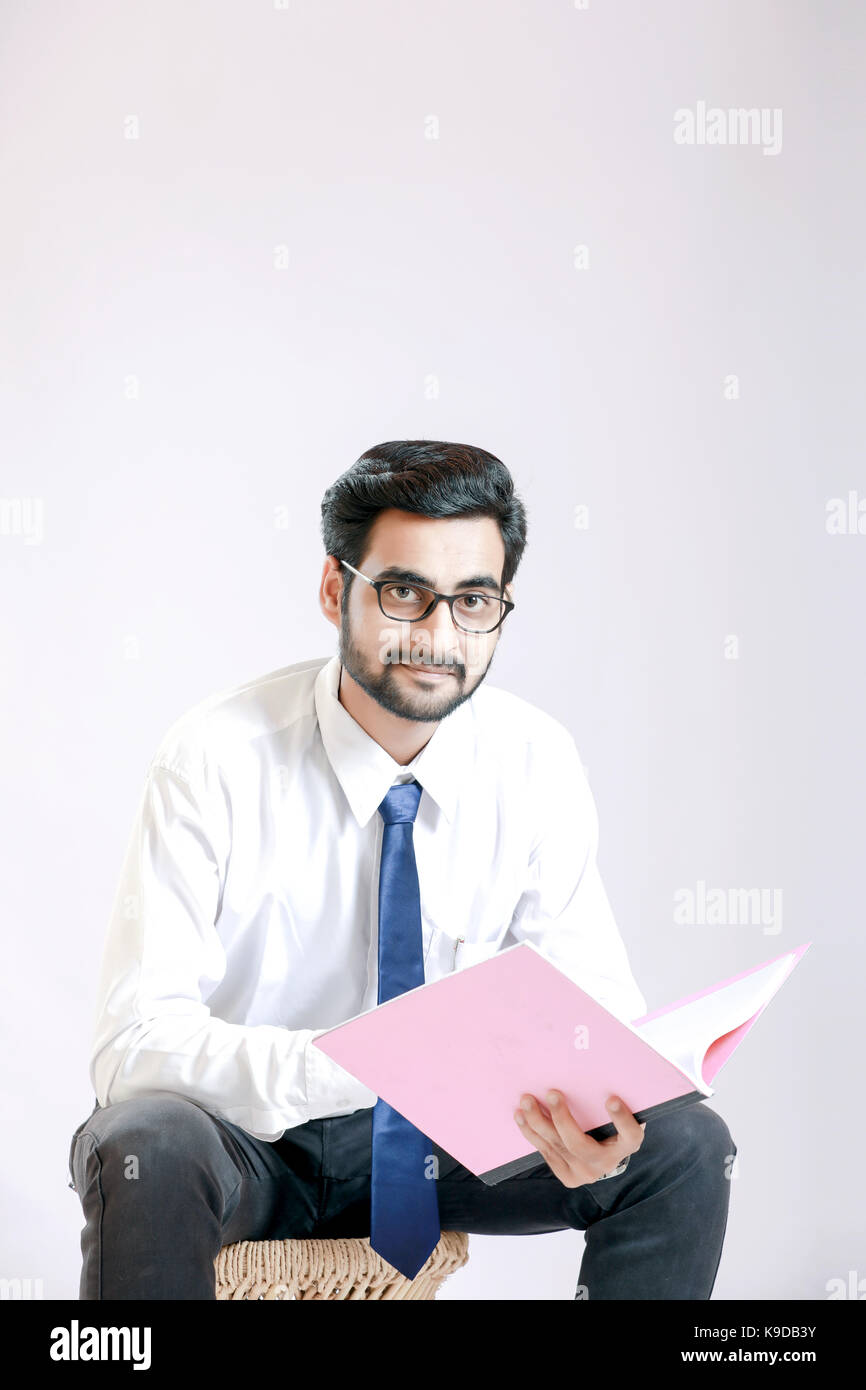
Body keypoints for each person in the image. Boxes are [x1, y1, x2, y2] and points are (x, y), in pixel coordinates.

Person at [68, 439, 735, 1300]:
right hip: (245, 1144)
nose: (438, 635)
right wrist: (362, 1065)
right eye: (404, 592)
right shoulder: (215, 757)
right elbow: (132, 1050)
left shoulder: (534, 759)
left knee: (686, 1146)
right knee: (144, 1141)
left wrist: (608, 1109)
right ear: (333, 590)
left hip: (449, 1145)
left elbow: (595, 1008)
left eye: (474, 601)